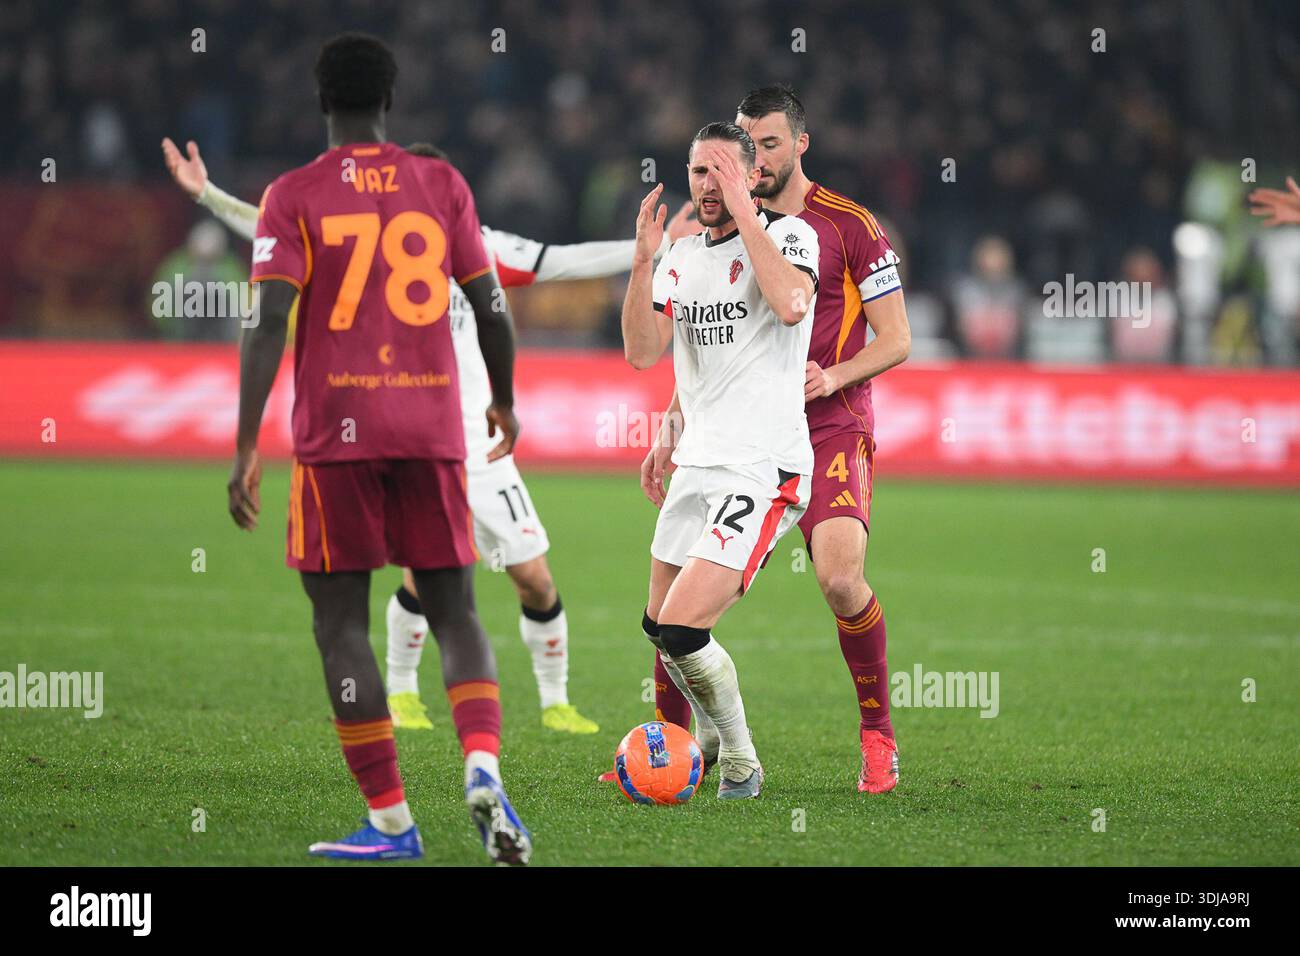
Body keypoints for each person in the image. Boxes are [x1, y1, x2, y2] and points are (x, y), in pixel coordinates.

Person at [162, 139, 700, 736]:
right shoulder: (363, 247)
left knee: (534, 576)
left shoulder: (479, 245)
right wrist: (208, 196)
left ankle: (555, 703)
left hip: (483, 444)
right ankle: (402, 694)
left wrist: (658, 247)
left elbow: (560, 259)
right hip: (417, 439)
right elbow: (275, 226)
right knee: (423, 572)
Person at [229, 32, 529, 863]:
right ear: (388, 101)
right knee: (457, 610)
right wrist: (502, 400)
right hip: (431, 426)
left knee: (339, 626)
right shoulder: (440, 183)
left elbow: (265, 325)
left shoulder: (292, 194)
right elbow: (492, 306)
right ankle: (482, 766)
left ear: (323, 101)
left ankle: (393, 822)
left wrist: (246, 442)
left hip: (336, 438)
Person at [619, 85, 911, 794]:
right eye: (709, 164)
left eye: (766, 144)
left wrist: (832, 374)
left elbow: (896, 338)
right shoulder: (697, 249)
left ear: (791, 147)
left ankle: (876, 736)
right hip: (721, 432)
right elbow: (695, 351)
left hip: (826, 418)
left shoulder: (833, 227)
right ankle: (679, 747)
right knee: (664, 613)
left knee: (841, 580)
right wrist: (671, 419)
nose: (746, 161)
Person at [621, 121, 820, 799]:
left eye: (722, 172)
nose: (708, 185)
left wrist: (745, 215)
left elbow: (793, 306)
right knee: (659, 629)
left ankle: (739, 757)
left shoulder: (790, 236)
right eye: (698, 172)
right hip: (698, 463)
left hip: (763, 468)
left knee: (683, 626)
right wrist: (644, 261)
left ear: (751, 175)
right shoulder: (680, 257)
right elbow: (645, 354)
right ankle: (703, 737)